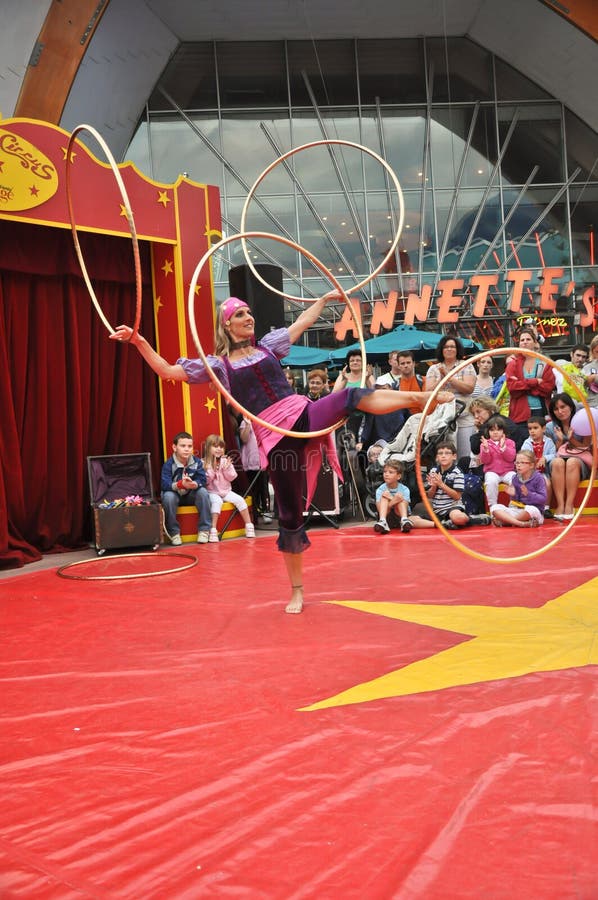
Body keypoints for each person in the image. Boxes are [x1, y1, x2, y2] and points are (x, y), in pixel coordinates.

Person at [110, 291, 451, 613]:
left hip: (302, 412)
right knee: (289, 515)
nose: (249, 317)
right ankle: (297, 589)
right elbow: (168, 371)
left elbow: (301, 322)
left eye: (249, 312)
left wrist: (321, 300)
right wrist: (139, 341)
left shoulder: (269, 347)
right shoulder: (218, 365)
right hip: (275, 438)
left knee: (350, 397)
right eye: (240, 314)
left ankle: (417, 399)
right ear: (226, 324)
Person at [424, 335, 476, 460]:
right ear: (441, 350)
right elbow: (428, 393)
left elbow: (469, 388)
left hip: (463, 416)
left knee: (464, 456)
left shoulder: (466, 365)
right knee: (444, 455)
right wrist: (441, 380)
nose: (449, 349)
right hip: (441, 419)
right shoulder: (434, 368)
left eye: (452, 346)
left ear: (457, 349)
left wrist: (449, 377)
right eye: (446, 347)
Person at [505, 327, 555, 447]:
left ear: (534, 342)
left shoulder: (544, 363)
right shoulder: (513, 364)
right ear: (519, 343)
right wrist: (535, 382)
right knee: (521, 446)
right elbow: (512, 388)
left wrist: (522, 384)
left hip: (540, 411)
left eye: (528, 339)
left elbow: (548, 387)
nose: (525, 342)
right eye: (522, 340)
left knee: (540, 445)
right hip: (520, 413)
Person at [160, 431, 211, 545]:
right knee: (168, 497)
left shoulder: (197, 462)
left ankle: (204, 530)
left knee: (203, 492)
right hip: (175, 494)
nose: (187, 449)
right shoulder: (169, 464)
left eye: (189, 446)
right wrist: (180, 485)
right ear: (174, 447)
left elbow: (202, 480)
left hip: (190, 494)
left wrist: (195, 484)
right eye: (183, 446)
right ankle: (174, 533)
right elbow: (164, 484)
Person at [203, 433, 255, 542]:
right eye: (215, 446)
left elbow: (232, 477)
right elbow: (206, 481)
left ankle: (249, 525)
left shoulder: (225, 461)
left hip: (226, 491)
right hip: (212, 492)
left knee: (240, 500)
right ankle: (213, 529)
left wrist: (226, 469)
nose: (219, 449)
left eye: (221, 447)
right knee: (217, 502)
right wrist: (212, 468)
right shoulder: (204, 463)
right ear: (208, 448)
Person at [408, 441, 471, 530]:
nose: (443, 456)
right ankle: (441, 524)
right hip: (437, 511)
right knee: (410, 520)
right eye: (440, 453)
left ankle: (471, 520)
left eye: (447, 453)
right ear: (437, 458)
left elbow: (457, 496)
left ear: (454, 456)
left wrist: (441, 484)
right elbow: (430, 496)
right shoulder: (433, 471)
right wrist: (434, 486)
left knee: (459, 518)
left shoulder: (457, 473)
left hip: (452, 508)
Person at [491, 449, 547, 527]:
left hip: (533, 512)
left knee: (531, 510)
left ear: (531, 465)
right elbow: (515, 502)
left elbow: (543, 499)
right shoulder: (515, 478)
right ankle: (521, 524)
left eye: (522, 463)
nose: (518, 465)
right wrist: (514, 495)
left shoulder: (539, 478)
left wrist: (529, 494)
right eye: (517, 462)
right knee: (494, 508)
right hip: (518, 510)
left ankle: (506, 522)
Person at [550, 425, 594, 521]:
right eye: (556, 409)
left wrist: (571, 439)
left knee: (572, 462)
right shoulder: (550, 426)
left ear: (570, 408)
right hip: (560, 457)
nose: (560, 411)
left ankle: (569, 505)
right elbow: (551, 450)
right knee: (557, 462)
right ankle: (560, 505)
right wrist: (560, 441)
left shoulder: (582, 422)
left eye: (562, 408)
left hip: (580, 460)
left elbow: (586, 447)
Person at [237, 414, 272, 523]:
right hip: (250, 462)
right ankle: (254, 515)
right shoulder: (245, 423)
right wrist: (247, 424)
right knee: (253, 489)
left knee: (264, 488)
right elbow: (244, 438)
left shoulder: (265, 422)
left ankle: (266, 511)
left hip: (262, 461)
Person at [479, 415, 517, 511]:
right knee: (491, 482)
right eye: (492, 430)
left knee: (516, 480)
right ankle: (493, 507)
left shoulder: (510, 442)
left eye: (498, 430)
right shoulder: (484, 444)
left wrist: (504, 448)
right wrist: (486, 449)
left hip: (508, 471)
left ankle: (514, 505)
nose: (495, 432)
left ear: (503, 431)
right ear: (488, 432)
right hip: (492, 471)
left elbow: (511, 458)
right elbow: (485, 461)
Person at [521, 416, 557, 517]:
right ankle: (529, 506)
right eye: (530, 428)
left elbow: (554, 454)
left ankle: (546, 508)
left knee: (548, 484)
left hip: (543, 472)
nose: (532, 431)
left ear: (544, 429)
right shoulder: (527, 443)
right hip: (530, 473)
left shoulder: (549, 442)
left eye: (535, 428)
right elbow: (523, 456)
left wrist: (545, 458)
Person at [373, 459, 412, 534]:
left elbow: (406, 507)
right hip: (386, 516)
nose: (386, 474)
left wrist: (392, 498)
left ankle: (404, 521)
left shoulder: (405, 489)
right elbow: (379, 510)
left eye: (390, 472)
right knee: (384, 496)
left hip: (400, 515)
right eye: (385, 472)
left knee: (400, 497)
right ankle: (383, 522)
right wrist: (393, 500)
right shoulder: (380, 489)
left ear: (398, 476)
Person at [581, 334, 598, 408]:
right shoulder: (587, 367)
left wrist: (595, 377)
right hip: (593, 407)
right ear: (592, 352)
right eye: (597, 352)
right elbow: (580, 387)